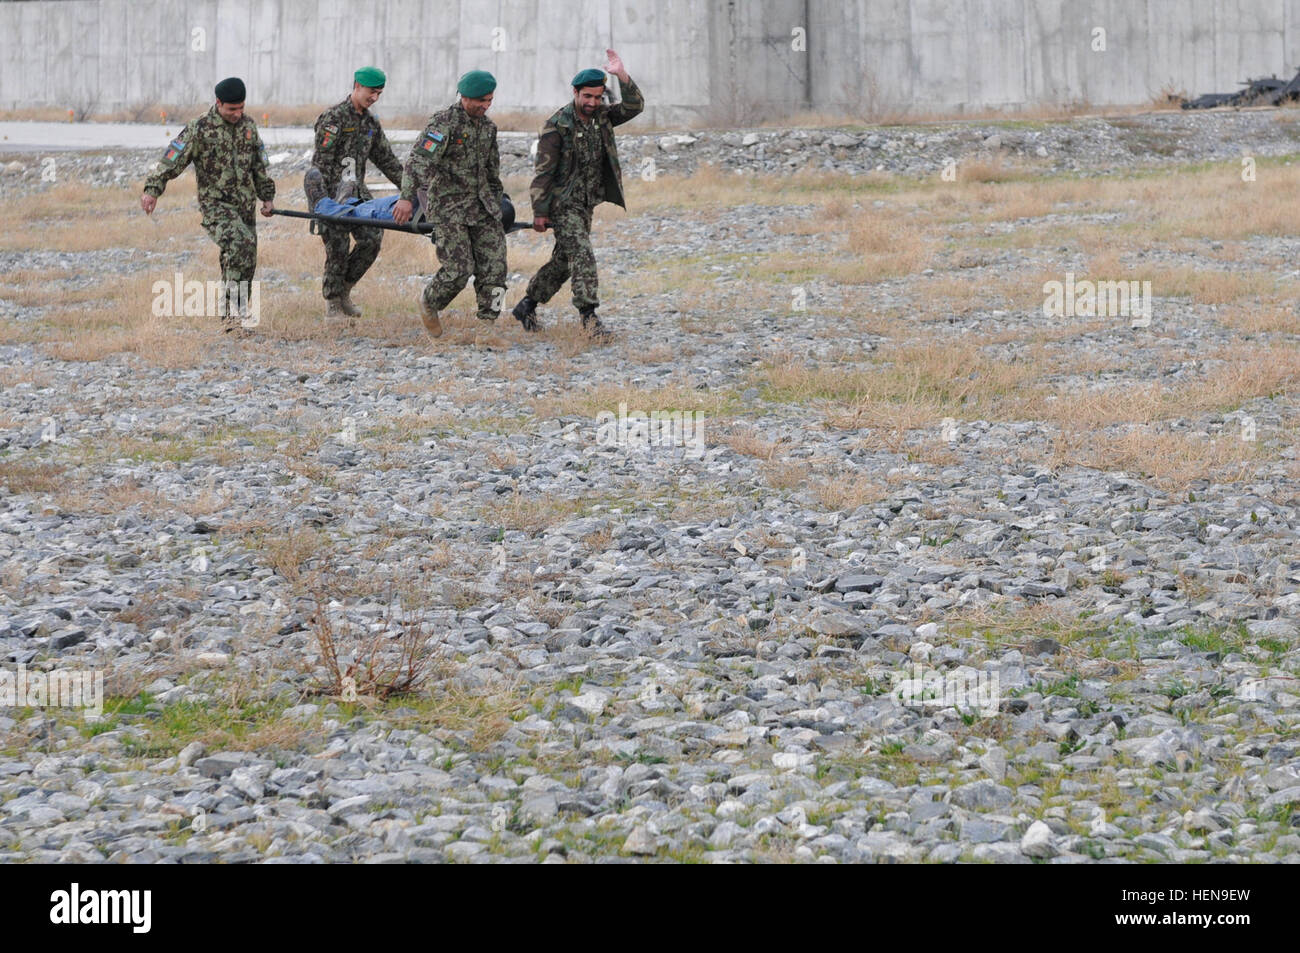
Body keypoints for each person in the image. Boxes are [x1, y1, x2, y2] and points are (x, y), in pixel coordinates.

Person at [511, 49, 643, 340]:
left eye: (598, 97)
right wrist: (540, 212)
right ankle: (589, 317)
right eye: (587, 97)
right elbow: (543, 173)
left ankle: (527, 305)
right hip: (563, 204)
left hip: (586, 203)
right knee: (582, 254)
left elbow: (635, 106)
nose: (593, 103)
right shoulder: (557, 125)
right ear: (575, 93)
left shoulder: (603, 117)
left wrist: (621, 75)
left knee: (563, 262)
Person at [140, 77, 275, 333]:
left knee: (245, 259)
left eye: (241, 108)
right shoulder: (200, 128)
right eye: (231, 109)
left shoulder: (249, 126)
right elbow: (172, 160)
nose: (237, 114)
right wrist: (152, 190)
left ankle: (233, 315)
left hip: (244, 206)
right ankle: (232, 318)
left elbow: (259, 166)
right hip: (216, 206)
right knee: (240, 246)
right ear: (218, 103)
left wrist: (266, 197)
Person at [392, 70, 506, 340]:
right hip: (449, 208)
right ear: (464, 97)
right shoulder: (444, 123)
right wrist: (406, 197)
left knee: (496, 268)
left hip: (484, 208)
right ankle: (429, 303)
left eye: (489, 100)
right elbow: (418, 162)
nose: (486, 106)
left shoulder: (489, 128)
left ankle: (487, 328)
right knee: (459, 270)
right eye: (481, 101)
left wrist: (499, 200)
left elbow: (492, 171)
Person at [306, 66, 406, 319]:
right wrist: (322, 205)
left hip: (358, 194)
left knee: (372, 238)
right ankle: (332, 303)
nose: (374, 98)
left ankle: (344, 291)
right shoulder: (333, 119)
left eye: (379, 94)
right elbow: (321, 165)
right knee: (337, 247)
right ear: (357, 86)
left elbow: (387, 161)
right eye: (371, 92)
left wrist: (412, 190)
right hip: (330, 194)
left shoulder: (371, 123)